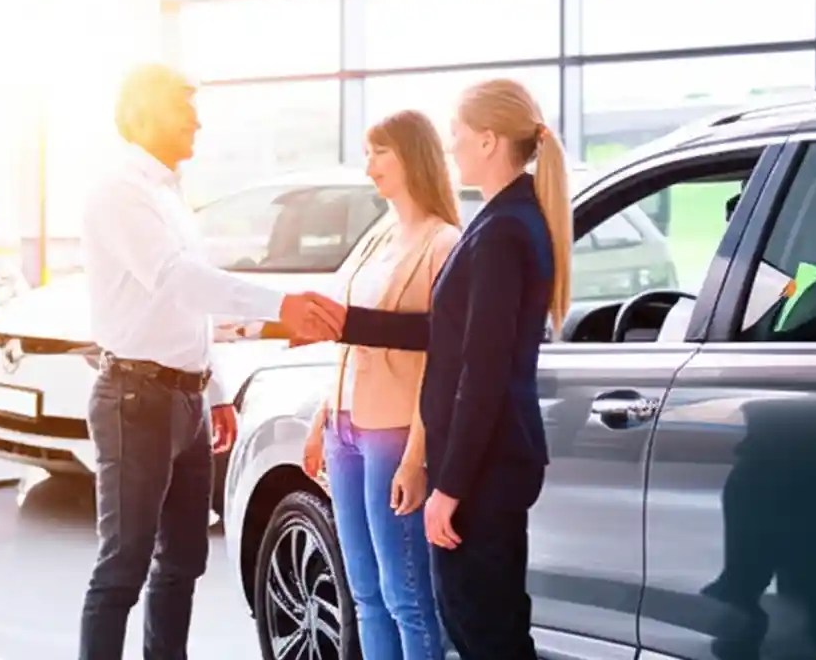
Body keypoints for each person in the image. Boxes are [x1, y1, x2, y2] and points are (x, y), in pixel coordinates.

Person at [301, 78, 573, 660]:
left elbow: (483, 371)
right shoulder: (505, 219)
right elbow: (447, 338)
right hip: (494, 461)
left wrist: (447, 486)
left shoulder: (501, 231)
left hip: (485, 466)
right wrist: (346, 324)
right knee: (482, 626)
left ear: (489, 140)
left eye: (456, 133)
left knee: (481, 630)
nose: (450, 145)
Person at [77, 63, 341, 660]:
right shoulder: (120, 191)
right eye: (183, 106)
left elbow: (187, 308)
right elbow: (178, 281)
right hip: (136, 400)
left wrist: (215, 388)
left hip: (186, 399)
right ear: (144, 114)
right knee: (123, 565)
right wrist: (281, 305)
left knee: (183, 561)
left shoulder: (168, 194)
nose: (197, 119)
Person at [300, 110, 460, 660]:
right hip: (346, 428)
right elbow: (348, 334)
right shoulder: (380, 237)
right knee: (364, 593)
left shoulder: (444, 243)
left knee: (406, 596)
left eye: (380, 152)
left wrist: (417, 457)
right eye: (367, 153)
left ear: (413, 155)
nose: (369, 167)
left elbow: (444, 358)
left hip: (394, 432)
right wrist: (323, 420)